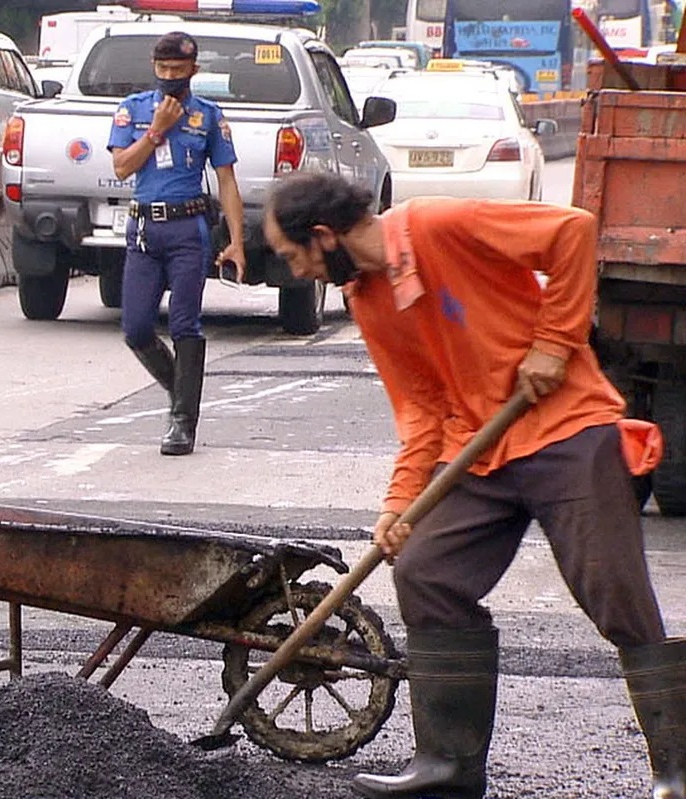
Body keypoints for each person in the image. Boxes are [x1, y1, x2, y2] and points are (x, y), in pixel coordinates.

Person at [263, 171, 679, 799]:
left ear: (325, 235)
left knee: (615, 594)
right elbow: (422, 408)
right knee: (426, 572)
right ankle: (447, 767)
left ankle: (677, 767)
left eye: (298, 257)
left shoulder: (434, 224)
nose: (300, 273)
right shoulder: (368, 298)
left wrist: (555, 342)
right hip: (481, 457)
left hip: (567, 431)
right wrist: (401, 504)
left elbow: (572, 230)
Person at [107, 31, 245, 456]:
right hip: (145, 228)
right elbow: (121, 169)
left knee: (186, 323)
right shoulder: (132, 110)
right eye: (162, 69)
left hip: (188, 229)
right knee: (136, 328)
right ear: (153, 68)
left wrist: (237, 241)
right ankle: (181, 393)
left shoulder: (208, 115)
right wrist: (156, 131)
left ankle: (183, 421)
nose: (169, 77)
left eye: (178, 70)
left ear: (193, 71)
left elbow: (226, 179)